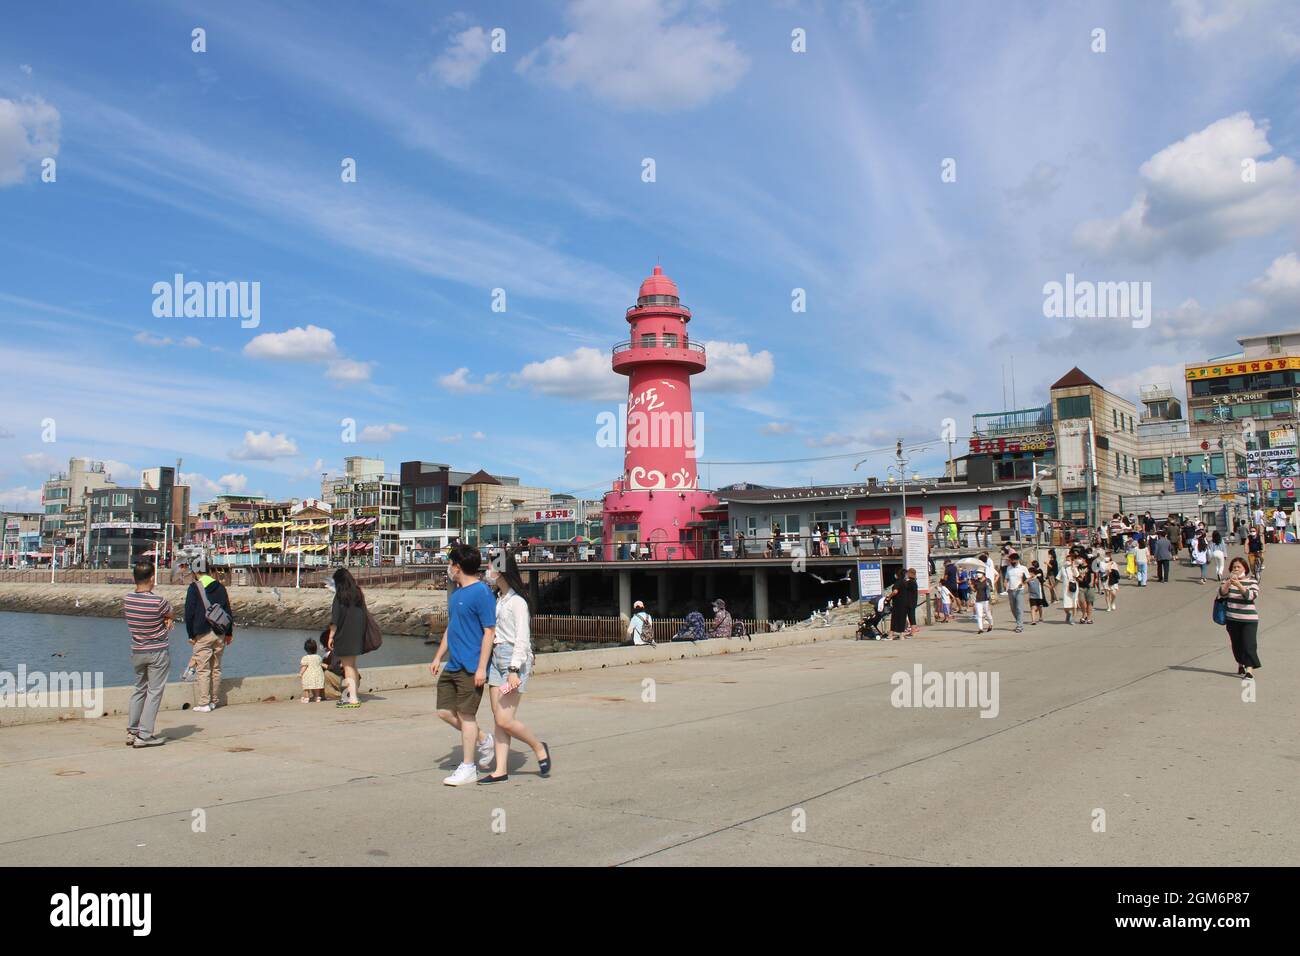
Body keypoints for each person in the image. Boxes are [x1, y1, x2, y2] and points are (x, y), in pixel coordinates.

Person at [479, 549, 551, 783]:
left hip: (511, 661)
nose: (487, 571)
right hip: (496, 659)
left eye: (491, 567)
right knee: (498, 717)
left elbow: (522, 636)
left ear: (500, 570)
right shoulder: (499, 599)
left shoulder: (518, 602)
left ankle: (538, 746)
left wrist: (514, 669)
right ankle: (500, 769)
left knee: (504, 719)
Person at [430, 543, 498, 787]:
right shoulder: (457, 593)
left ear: (457, 567)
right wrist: (438, 656)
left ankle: (468, 767)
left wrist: (482, 668)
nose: (448, 568)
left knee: (467, 715)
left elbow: (489, 631)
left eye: (450, 564)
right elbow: (453, 627)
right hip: (453, 664)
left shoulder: (482, 592)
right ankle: (483, 739)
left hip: (471, 666)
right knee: (444, 712)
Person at [123, 561, 173, 748]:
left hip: (137, 650)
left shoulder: (128, 599)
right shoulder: (158, 601)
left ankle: (132, 730)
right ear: (152, 578)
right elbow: (170, 612)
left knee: (139, 689)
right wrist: (167, 620)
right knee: (154, 692)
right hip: (157, 651)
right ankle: (144, 735)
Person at [184, 555, 233, 713]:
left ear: (196, 571)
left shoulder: (194, 588)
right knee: (216, 668)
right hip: (220, 632)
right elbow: (228, 611)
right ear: (209, 570)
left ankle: (204, 703)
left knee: (203, 669)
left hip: (202, 633)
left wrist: (191, 634)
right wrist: (229, 633)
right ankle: (213, 701)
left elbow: (189, 613)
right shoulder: (220, 587)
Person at [326, 568, 368, 708]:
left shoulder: (339, 596)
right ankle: (353, 694)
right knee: (353, 666)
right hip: (356, 634)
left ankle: (353, 698)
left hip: (344, 634)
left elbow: (335, 619)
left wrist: (331, 637)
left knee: (347, 666)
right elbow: (363, 613)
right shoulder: (358, 593)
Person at [1219, 557, 1260, 679]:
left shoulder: (1252, 581)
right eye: (1234, 567)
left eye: (1239, 567)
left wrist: (1239, 585)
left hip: (1249, 620)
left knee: (1249, 644)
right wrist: (1229, 582)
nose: (1236, 569)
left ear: (1245, 569)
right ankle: (1240, 663)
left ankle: (1249, 669)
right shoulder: (1227, 581)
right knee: (1237, 645)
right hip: (1232, 618)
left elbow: (1251, 596)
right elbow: (1222, 593)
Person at [1003, 551, 1029, 633]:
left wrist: (1023, 583)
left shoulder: (1023, 568)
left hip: (1019, 590)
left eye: (1013, 561)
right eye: (1010, 560)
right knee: (1013, 609)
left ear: (1017, 560)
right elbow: (1006, 578)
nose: (1012, 562)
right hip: (1010, 590)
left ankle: (1019, 626)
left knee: (1019, 608)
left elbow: (1028, 578)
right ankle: (1019, 622)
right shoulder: (1009, 568)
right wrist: (1005, 583)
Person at [299, 638, 325, 703]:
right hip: (318, 675)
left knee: (306, 686)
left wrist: (301, 673)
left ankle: (306, 698)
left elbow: (304, 667)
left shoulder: (305, 658)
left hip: (309, 675)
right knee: (317, 687)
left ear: (305, 649)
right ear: (316, 648)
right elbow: (320, 664)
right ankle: (317, 697)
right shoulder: (318, 657)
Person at [887, 569, 911, 639]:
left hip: (898, 603)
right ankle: (901, 635)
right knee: (902, 618)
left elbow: (895, 591)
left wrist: (889, 596)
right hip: (904, 602)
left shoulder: (898, 582)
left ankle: (890, 634)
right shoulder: (905, 582)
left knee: (895, 618)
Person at [1058, 556, 1079, 625]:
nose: (1067, 561)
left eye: (1069, 560)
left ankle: (1073, 619)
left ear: (1072, 561)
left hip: (1073, 588)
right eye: (1066, 560)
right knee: (1066, 606)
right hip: (1065, 589)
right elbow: (1058, 577)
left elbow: (1077, 575)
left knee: (1074, 604)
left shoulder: (1074, 567)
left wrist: (1073, 567)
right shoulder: (1062, 568)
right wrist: (1053, 586)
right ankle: (1068, 613)